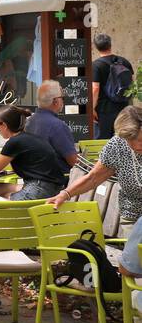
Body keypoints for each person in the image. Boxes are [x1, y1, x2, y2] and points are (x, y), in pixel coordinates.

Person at [50, 104, 142, 284]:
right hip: (133, 216)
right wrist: (66, 193)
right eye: (129, 139)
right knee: (135, 273)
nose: (135, 144)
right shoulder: (118, 145)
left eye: (138, 138)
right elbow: (94, 177)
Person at [0, 105, 68, 201]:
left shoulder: (14, 142)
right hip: (54, 187)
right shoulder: (30, 138)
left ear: (4, 125)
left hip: (39, 188)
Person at [25, 79, 78, 171]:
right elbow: (73, 161)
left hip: (35, 175)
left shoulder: (30, 121)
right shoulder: (57, 125)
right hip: (58, 178)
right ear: (55, 101)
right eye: (63, 98)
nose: (63, 101)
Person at [92, 34, 135, 140]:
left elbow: (95, 88)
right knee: (124, 139)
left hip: (104, 110)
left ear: (96, 47)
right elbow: (132, 83)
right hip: (123, 107)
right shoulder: (124, 62)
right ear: (110, 45)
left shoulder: (96, 65)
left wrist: (92, 108)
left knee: (103, 140)